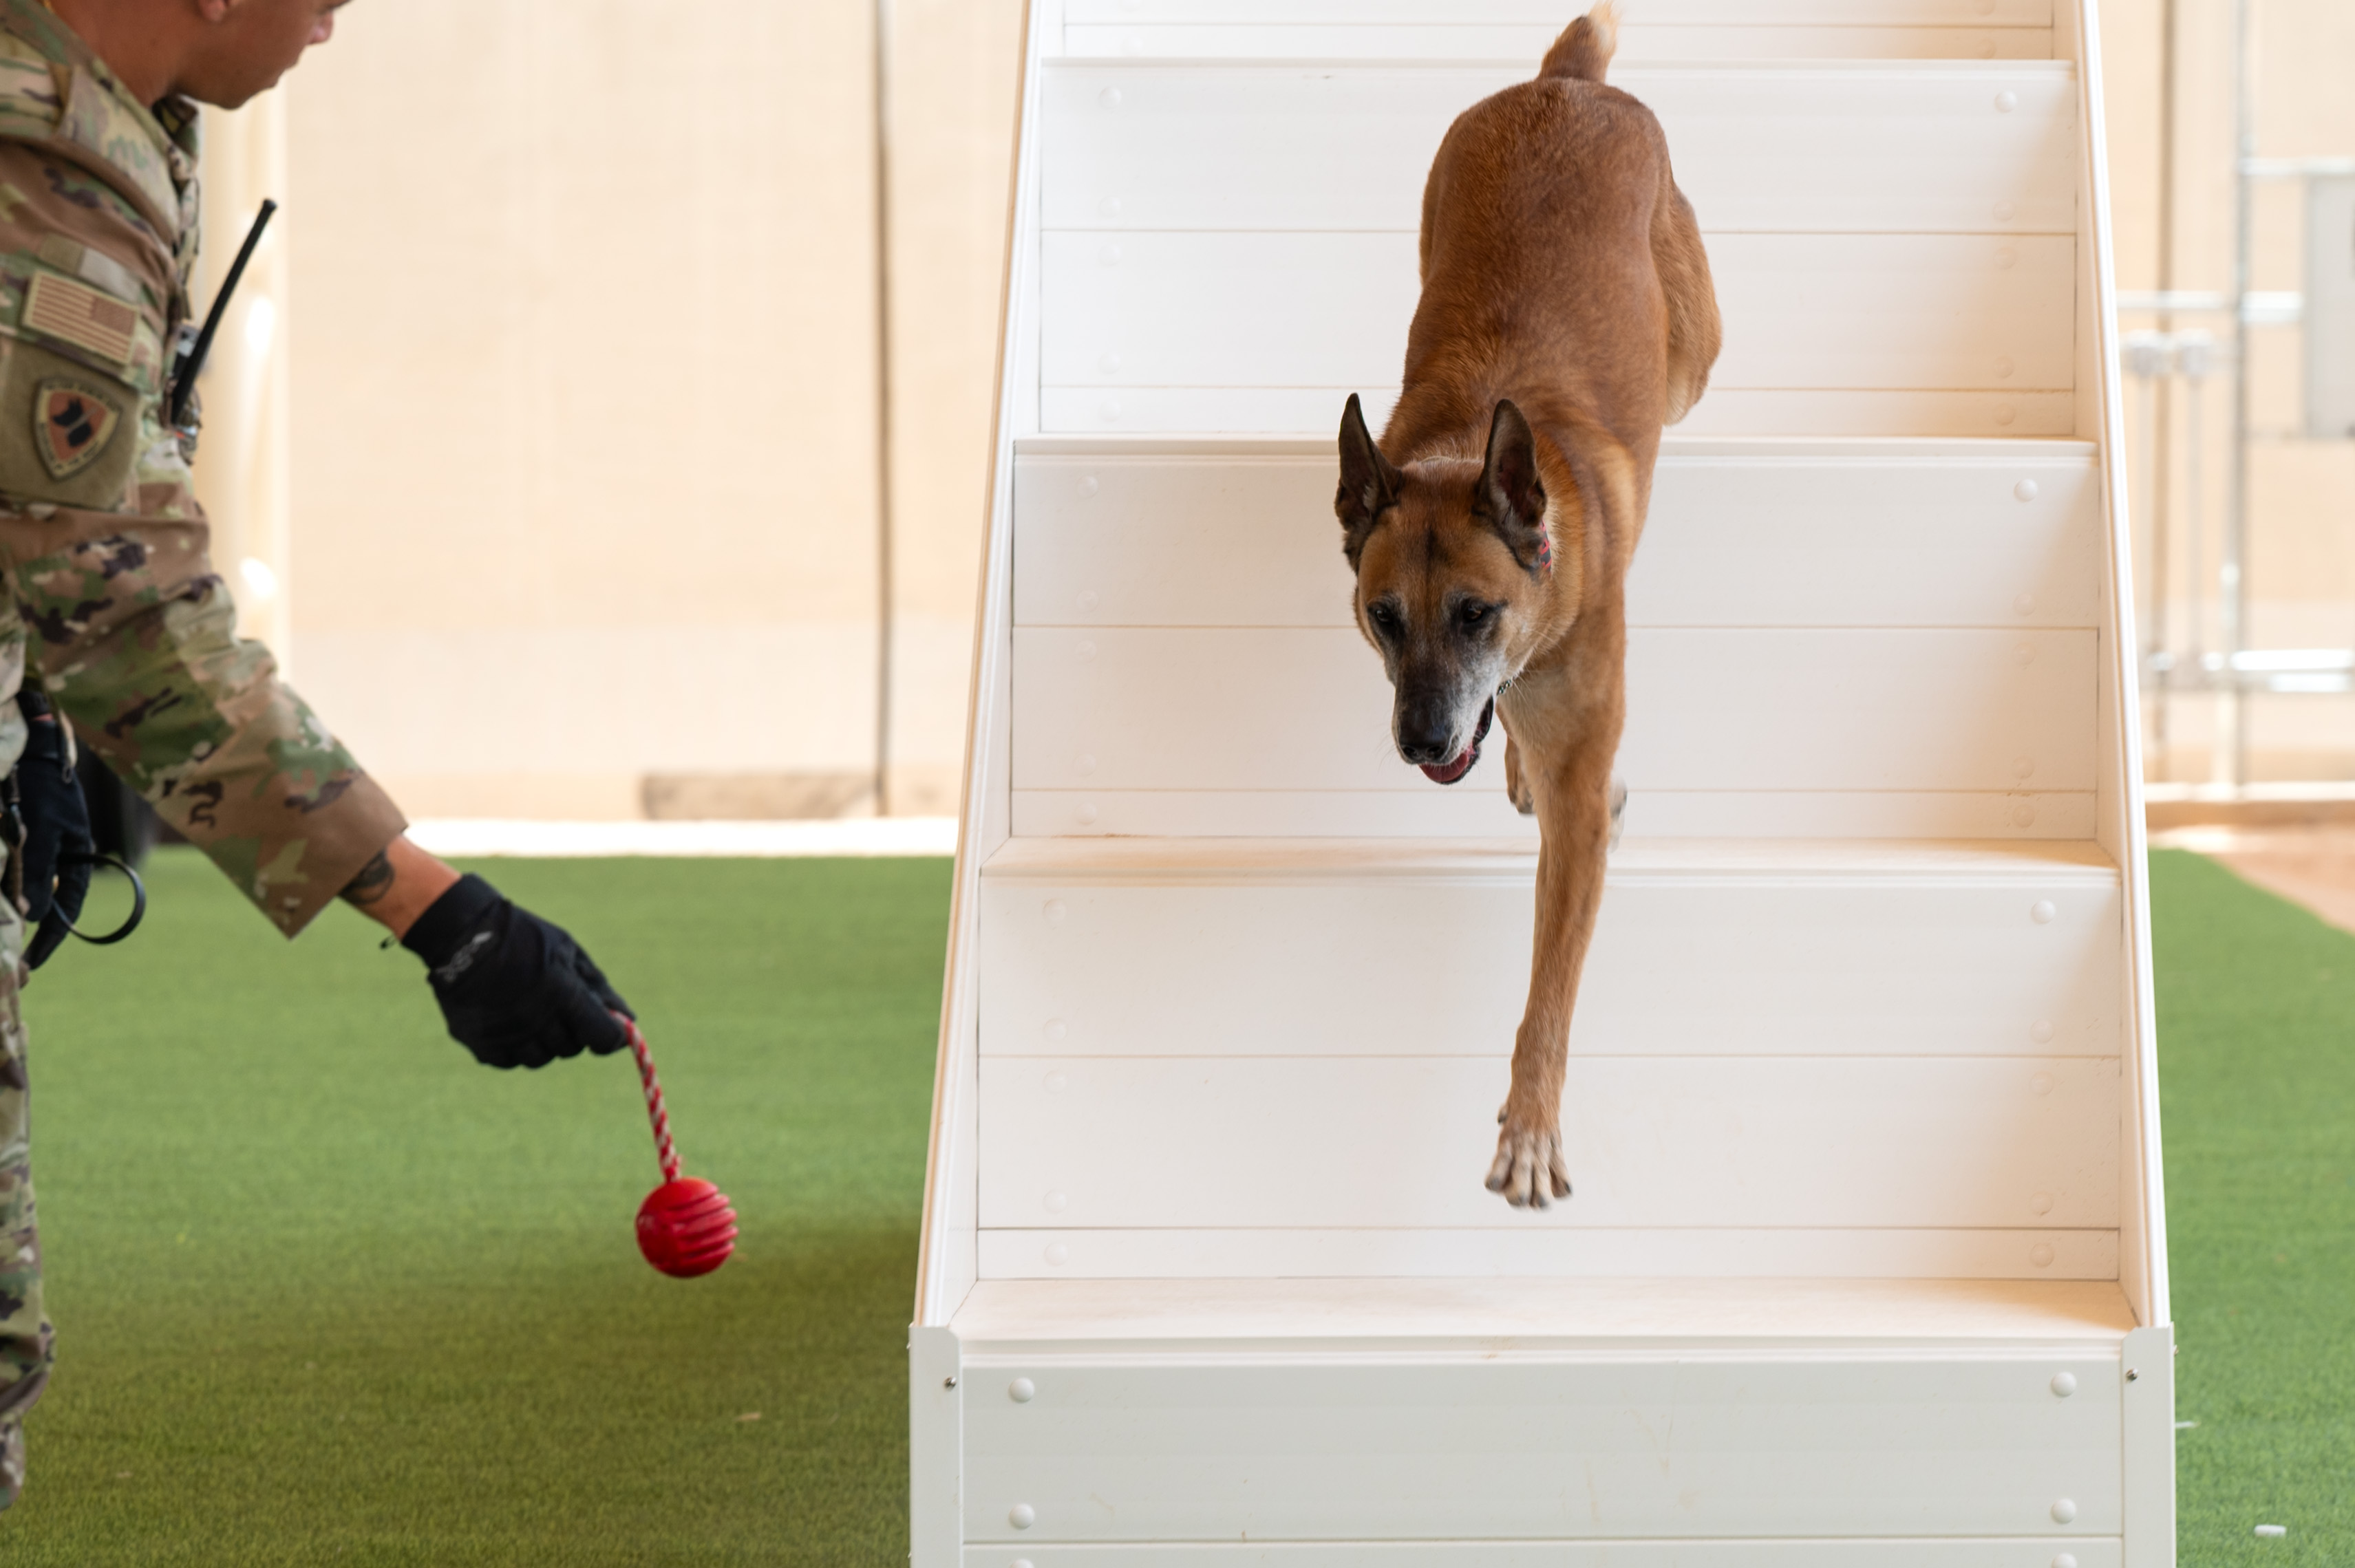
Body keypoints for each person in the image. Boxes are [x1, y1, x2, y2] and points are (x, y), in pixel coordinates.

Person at [0, 0, 635, 1509]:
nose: (340, 18)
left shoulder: (113, 118)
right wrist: (441, 912)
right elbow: (124, 604)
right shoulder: (37, 160)